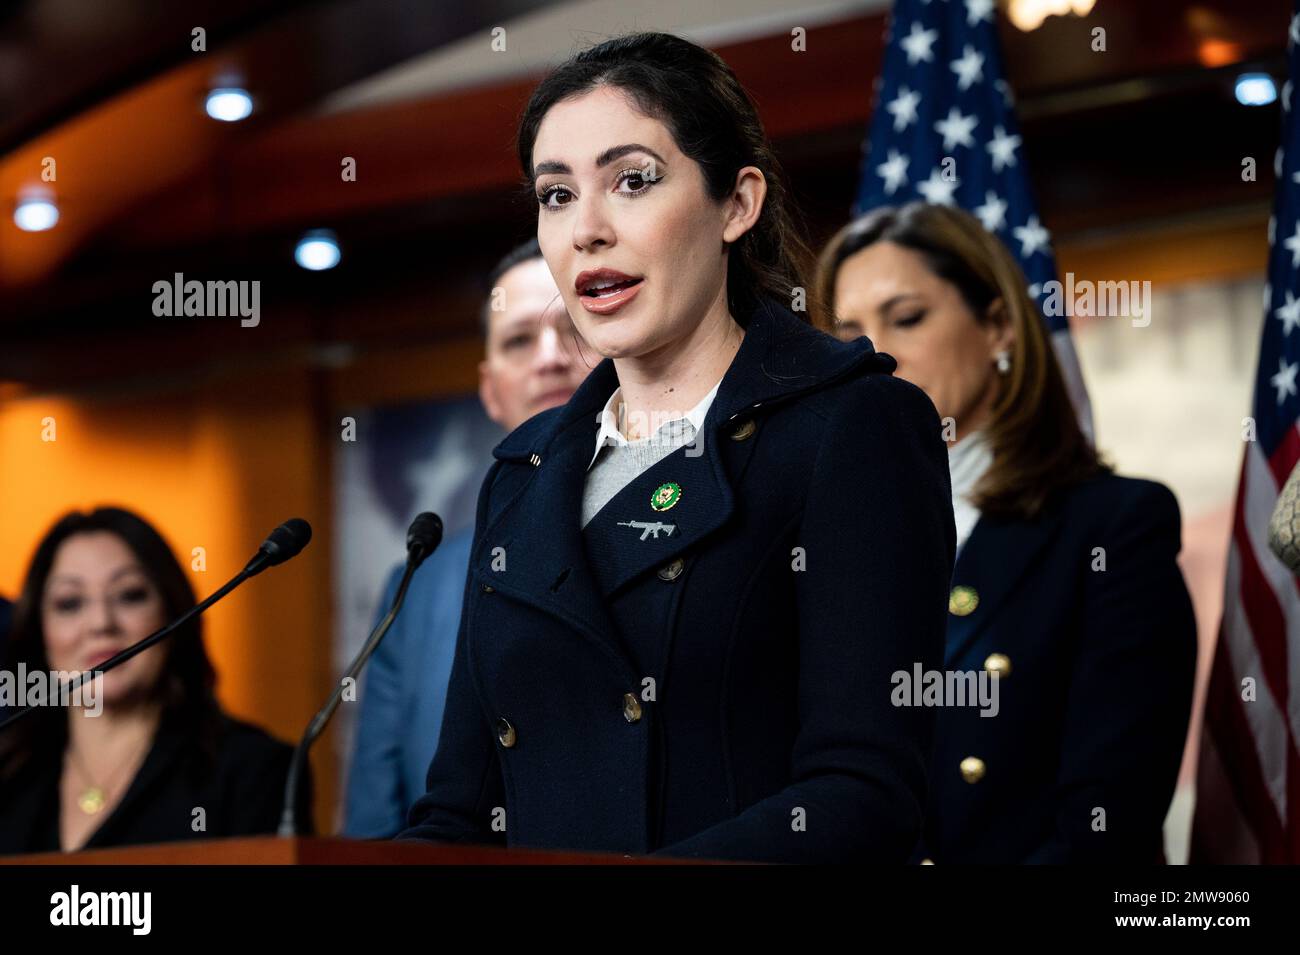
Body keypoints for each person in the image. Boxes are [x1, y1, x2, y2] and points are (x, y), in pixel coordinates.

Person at [397, 32, 955, 863]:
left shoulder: (852, 426)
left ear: (737, 203)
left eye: (632, 181)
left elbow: (865, 794)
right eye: (555, 195)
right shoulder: (522, 475)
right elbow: (458, 814)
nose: (586, 230)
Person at [815, 200, 1197, 863]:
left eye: (906, 318)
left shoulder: (1114, 526)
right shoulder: (815, 539)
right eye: (848, 332)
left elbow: (1107, 822)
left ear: (998, 327)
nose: (873, 352)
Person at [344, 238, 589, 837]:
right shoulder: (417, 590)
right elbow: (377, 821)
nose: (549, 358)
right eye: (519, 340)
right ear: (490, 388)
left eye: (574, 329)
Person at [0, 506, 305, 854]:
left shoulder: (253, 771)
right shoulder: (9, 775)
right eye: (70, 603)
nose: (101, 623)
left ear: (172, 612)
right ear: (38, 630)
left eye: (130, 595)